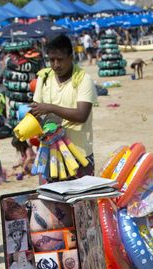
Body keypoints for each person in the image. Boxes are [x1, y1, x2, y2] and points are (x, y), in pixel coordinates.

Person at [30, 35, 98, 181]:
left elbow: (81, 115)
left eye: (60, 60)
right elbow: (36, 111)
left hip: (79, 155)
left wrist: (50, 108)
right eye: (52, 60)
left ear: (70, 57)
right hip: (50, 154)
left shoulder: (83, 80)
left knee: (81, 202)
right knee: (50, 201)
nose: (56, 65)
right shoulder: (44, 77)